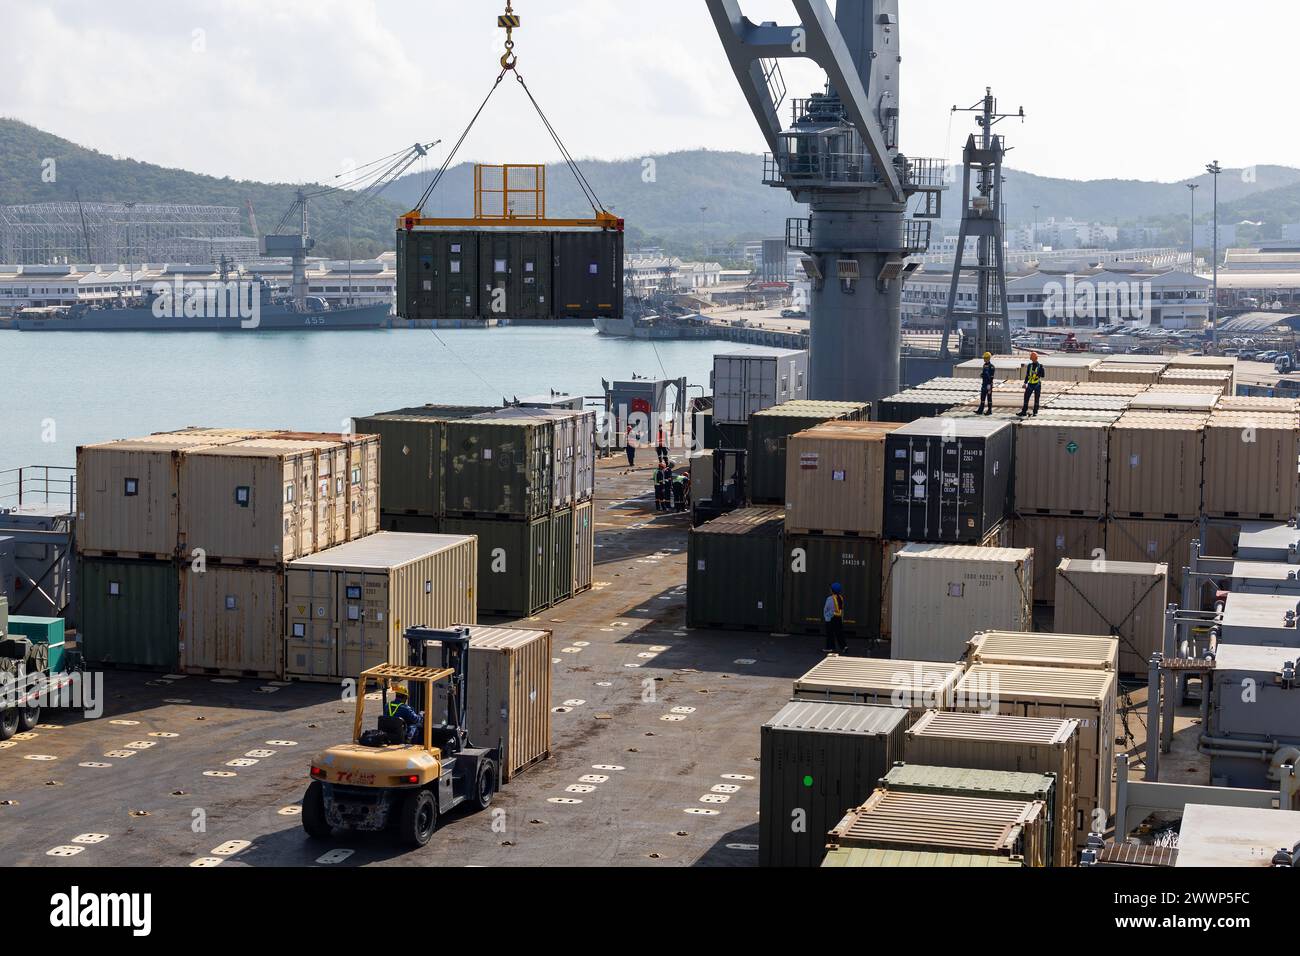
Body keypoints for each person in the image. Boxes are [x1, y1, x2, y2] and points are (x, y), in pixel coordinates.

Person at [823, 583, 848, 655]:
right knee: (839, 633)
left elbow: (826, 608)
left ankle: (830, 647)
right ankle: (844, 646)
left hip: (831, 618)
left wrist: (826, 617)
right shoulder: (841, 598)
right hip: (839, 617)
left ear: (832, 590)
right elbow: (842, 609)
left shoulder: (830, 598)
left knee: (830, 633)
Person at [1019, 351, 1045, 418]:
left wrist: (1036, 374)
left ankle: (1035, 412)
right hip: (1030, 384)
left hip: (1037, 384)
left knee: (1036, 398)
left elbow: (1043, 375)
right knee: (1026, 398)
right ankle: (1024, 411)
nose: (1032, 359)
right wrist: (1025, 383)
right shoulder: (1029, 366)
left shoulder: (1040, 366)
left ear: (1035, 358)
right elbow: (1027, 375)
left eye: (1032, 358)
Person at [977, 351, 996, 416]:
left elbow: (991, 377)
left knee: (989, 398)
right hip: (984, 383)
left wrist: (989, 385)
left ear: (988, 358)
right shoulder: (984, 365)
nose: (984, 359)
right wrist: (982, 375)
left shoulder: (992, 366)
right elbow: (984, 373)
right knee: (982, 397)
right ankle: (980, 410)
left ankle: (989, 410)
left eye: (985, 358)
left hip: (988, 384)